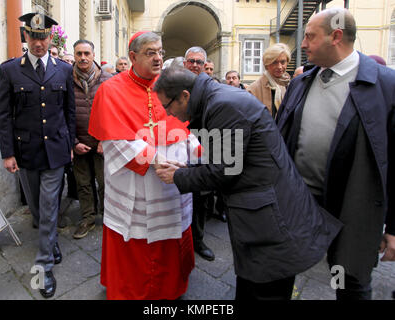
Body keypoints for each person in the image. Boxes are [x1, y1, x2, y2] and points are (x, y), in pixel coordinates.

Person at [154, 66, 343, 300]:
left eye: (167, 105)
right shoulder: (218, 99)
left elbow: (224, 170)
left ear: (185, 96)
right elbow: (226, 160)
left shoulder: (223, 105)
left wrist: (178, 176)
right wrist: (188, 170)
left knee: (264, 289)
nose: (168, 113)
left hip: (271, 221)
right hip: (264, 213)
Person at [276, 8, 395, 300]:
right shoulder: (301, 83)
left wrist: (393, 226)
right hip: (300, 204)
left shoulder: (386, 86)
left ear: (336, 36)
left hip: (353, 211)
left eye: (310, 36)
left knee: (349, 281)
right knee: (280, 271)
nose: (302, 44)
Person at [88, 31, 201, 300]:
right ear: (133, 57)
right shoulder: (110, 90)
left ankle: (169, 288)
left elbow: (184, 127)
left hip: (169, 183)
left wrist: (196, 150)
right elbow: (115, 143)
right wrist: (156, 159)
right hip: (136, 184)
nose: (158, 58)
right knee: (134, 242)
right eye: (151, 52)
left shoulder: (169, 86)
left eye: (160, 52)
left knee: (169, 238)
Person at [0, 13, 76, 298]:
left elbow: (69, 112)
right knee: (38, 209)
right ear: (26, 37)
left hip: (55, 149)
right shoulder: (9, 71)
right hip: (26, 150)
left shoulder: (64, 70)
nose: (39, 43)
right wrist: (7, 153)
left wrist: (70, 142)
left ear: (50, 38)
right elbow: (4, 115)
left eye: (44, 37)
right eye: (34, 37)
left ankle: (42, 268)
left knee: (49, 204)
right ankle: (51, 241)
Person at [72, 40, 112, 239]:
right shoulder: (66, 79)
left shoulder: (107, 79)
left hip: (102, 143)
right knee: (83, 184)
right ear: (74, 55)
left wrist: (106, 139)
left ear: (94, 55)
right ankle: (87, 217)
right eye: (79, 53)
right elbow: (62, 113)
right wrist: (73, 142)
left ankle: (108, 217)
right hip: (78, 141)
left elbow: (114, 112)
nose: (83, 58)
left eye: (86, 53)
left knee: (105, 182)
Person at [183, 46, 216, 261]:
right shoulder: (175, 84)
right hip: (177, 147)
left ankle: (199, 239)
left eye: (199, 62)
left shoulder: (211, 88)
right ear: (185, 63)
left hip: (202, 150)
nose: (195, 65)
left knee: (201, 199)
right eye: (191, 61)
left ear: (204, 66)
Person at [247, 43, 291, 118]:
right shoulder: (253, 89)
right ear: (267, 64)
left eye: (283, 62)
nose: (279, 67)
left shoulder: (287, 85)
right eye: (274, 62)